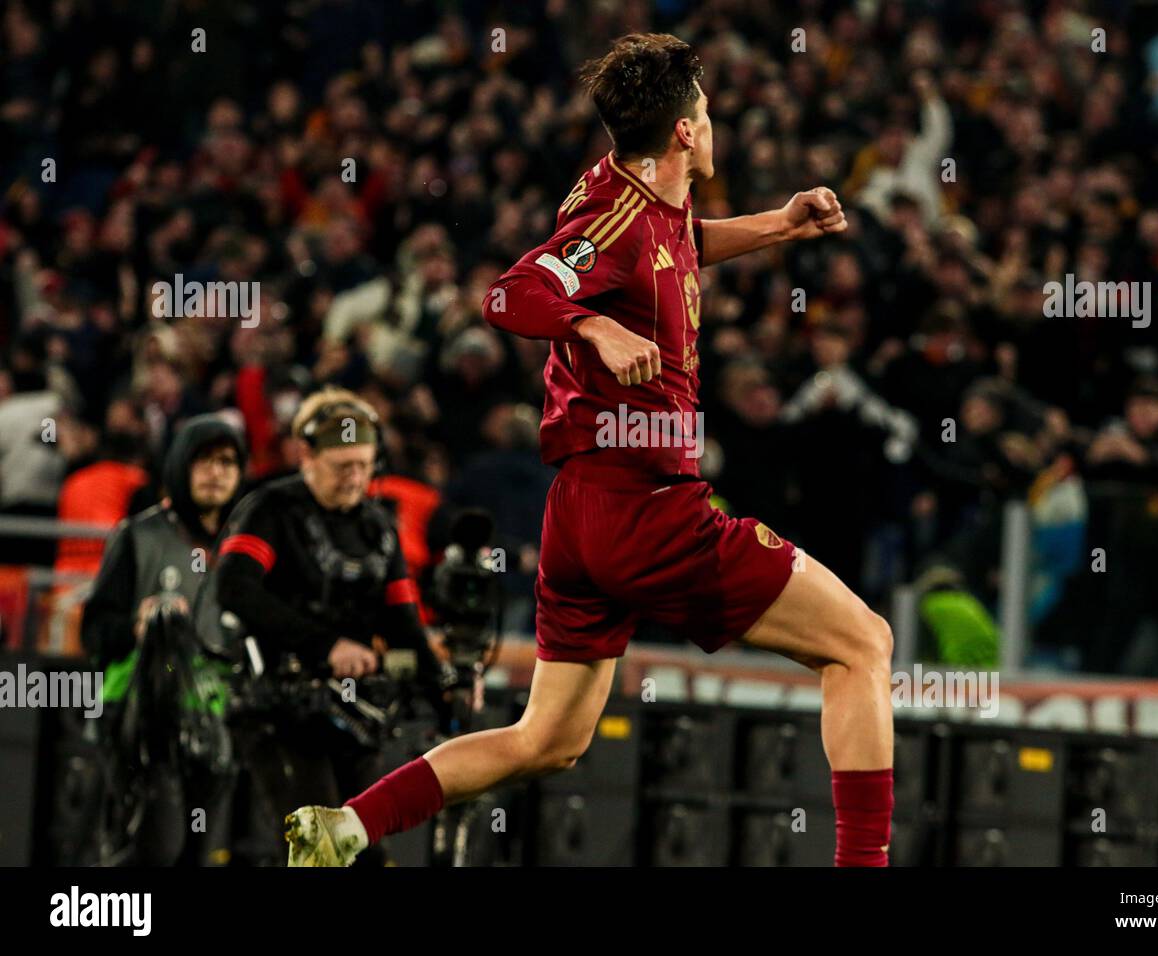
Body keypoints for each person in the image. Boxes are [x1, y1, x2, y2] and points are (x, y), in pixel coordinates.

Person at [286, 33, 895, 868]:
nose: (714, 126)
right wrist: (595, 326)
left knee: (547, 739)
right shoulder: (612, 217)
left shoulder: (647, 195)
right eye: (707, 114)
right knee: (863, 644)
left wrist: (778, 228)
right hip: (646, 509)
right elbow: (510, 292)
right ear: (684, 132)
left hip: (581, 521)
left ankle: (347, 826)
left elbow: (673, 249)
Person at [208, 386, 441, 865]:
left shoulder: (377, 527)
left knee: (368, 851)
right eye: (342, 467)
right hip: (277, 706)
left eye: (364, 464)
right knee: (317, 846)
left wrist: (443, 686)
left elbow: (402, 622)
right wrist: (326, 645)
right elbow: (235, 588)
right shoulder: (272, 509)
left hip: (351, 713)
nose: (355, 478)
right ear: (306, 456)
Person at [81, 413, 247, 865]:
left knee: (198, 852)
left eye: (228, 463)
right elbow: (94, 631)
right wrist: (138, 626)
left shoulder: (241, 550)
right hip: (142, 718)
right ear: (179, 466)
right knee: (158, 848)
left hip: (212, 723)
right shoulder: (138, 535)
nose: (217, 473)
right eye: (204, 462)